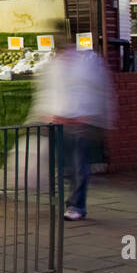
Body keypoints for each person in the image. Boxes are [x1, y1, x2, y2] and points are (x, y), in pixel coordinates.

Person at [30, 32, 114, 220]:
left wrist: (101, 120)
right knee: (64, 166)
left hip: (80, 123)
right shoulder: (54, 65)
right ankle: (65, 201)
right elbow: (46, 91)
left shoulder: (88, 63)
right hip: (58, 123)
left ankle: (77, 206)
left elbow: (100, 91)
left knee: (78, 166)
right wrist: (43, 114)